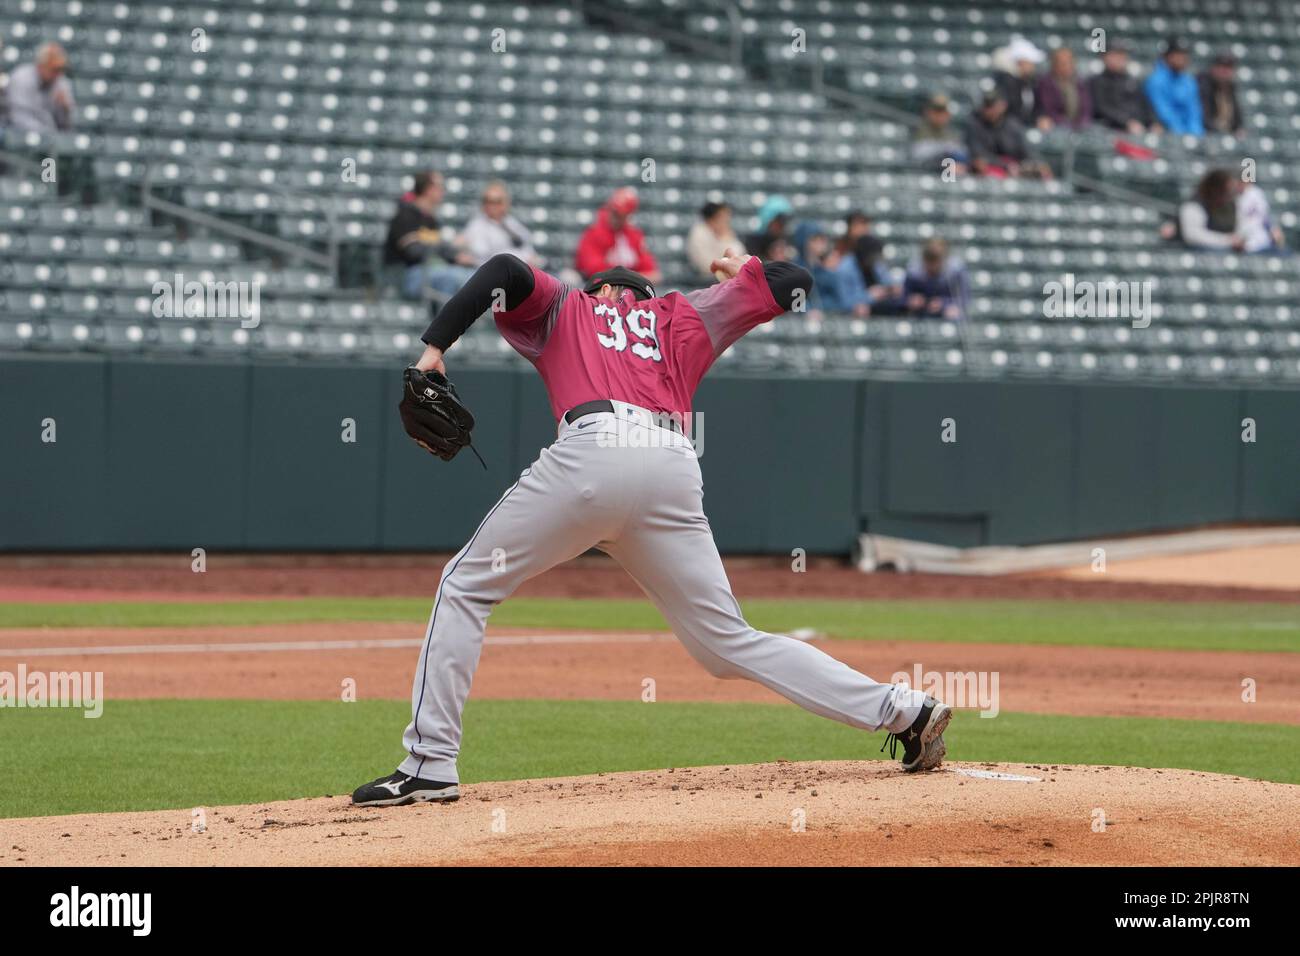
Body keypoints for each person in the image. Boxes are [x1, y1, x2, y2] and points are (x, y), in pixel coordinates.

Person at [350, 250, 953, 807]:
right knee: (727, 643)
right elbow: (795, 282)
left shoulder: (570, 305)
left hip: (592, 454)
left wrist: (433, 350)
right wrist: (742, 265)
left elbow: (504, 270)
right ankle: (904, 710)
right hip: (671, 467)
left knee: (465, 585)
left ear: (606, 290)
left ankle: (431, 764)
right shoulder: (682, 313)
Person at [383, 170, 477, 300]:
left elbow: (432, 248)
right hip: (406, 275)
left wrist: (456, 256)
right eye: (440, 187)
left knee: (474, 276)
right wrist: (445, 245)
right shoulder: (405, 215)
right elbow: (414, 252)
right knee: (453, 278)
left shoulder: (431, 219)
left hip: (429, 271)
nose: (443, 191)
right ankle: (445, 319)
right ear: (429, 189)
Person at [574, 187, 661, 284]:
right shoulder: (594, 232)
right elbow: (593, 271)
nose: (614, 217)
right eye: (613, 211)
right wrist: (631, 278)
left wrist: (627, 279)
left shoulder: (634, 235)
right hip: (598, 289)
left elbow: (653, 274)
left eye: (620, 214)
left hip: (628, 290)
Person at [965, 91, 1051, 179]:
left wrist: (1038, 164)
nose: (988, 110)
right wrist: (1006, 165)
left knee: (1041, 170)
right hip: (989, 170)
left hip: (1015, 169)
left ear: (1003, 105)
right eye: (986, 106)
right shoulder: (975, 124)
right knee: (981, 165)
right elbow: (977, 156)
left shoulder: (1012, 125)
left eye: (991, 106)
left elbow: (1027, 151)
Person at [460, 180, 538, 266]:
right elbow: (483, 256)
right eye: (487, 201)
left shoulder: (512, 223)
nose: (492, 206)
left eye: (497, 201)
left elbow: (527, 247)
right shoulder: (477, 225)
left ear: (506, 203)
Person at [5, 42, 75, 133]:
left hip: (49, 135)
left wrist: (64, 109)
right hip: (19, 133)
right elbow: (18, 117)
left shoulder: (61, 83)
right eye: (54, 69)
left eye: (61, 69)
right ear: (41, 65)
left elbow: (65, 125)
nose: (58, 74)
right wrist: (46, 135)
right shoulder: (22, 77)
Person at [1089, 44, 1158, 133]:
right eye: (1115, 55)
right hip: (1113, 128)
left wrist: (1154, 122)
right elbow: (1102, 108)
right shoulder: (1098, 81)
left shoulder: (1132, 80)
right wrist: (1126, 122)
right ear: (1105, 58)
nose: (1120, 59)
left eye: (1122, 55)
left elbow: (1145, 105)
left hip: (1139, 126)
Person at [1145, 37, 1204, 137]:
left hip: (1190, 135)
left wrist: (1196, 134)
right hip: (1168, 133)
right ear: (1167, 56)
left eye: (1184, 55)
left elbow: (1194, 111)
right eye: (1177, 55)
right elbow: (1163, 111)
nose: (1182, 59)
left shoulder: (1189, 81)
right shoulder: (1156, 80)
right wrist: (1181, 134)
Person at [900, 238, 970, 320]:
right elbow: (903, 296)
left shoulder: (956, 270)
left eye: (936, 260)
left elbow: (964, 299)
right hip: (920, 310)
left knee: (954, 313)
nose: (932, 266)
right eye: (928, 259)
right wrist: (911, 300)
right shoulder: (914, 270)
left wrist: (943, 303)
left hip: (946, 309)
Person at [1176, 169, 1242, 251]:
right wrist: (1227, 240)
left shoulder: (1231, 205)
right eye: (1227, 190)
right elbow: (1193, 236)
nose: (1231, 194)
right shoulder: (1192, 206)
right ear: (1215, 189)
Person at [991, 36, 1046, 127]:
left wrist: (1039, 118)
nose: (1033, 67)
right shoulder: (1006, 84)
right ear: (1020, 63)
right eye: (1030, 63)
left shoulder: (1030, 83)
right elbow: (1012, 112)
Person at [1034, 47, 1092, 130]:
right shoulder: (1046, 83)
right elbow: (1049, 110)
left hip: (1079, 126)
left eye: (1070, 62)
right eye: (1062, 63)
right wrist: (1069, 125)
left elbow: (1086, 109)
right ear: (1054, 65)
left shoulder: (1080, 82)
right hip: (1057, 126)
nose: (1067, 66)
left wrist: (1082, 123)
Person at [911, 93, 969, 173]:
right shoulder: (918, 130)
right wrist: (945, 165)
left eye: (943, 111)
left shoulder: (952, 133)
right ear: (928, 112)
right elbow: (918, 158)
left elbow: (962, 156)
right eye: (936, 111)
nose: (939, 115)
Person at [686, 201, 745, 278]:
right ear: (712, 217)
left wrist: (726, 240)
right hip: (705, 280)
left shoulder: (726, 231)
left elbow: (740, 257)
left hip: (728, 277)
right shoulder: (699, 232)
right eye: (722, 216)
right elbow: (705, 265)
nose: (727, 219)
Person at [1199, 53, 1244, 137]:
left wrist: (1238, 129)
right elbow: (1204, 117)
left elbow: (1237, 120)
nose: (1224, 71)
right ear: (1213, 68)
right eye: (1221, 66)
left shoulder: (1231, 89)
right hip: (1208, 134)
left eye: (1229, 67)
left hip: (1225, 134)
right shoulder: (1203, 86)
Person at [1236, 180, 1285, 253]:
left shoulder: (1256, 193)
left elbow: (1264, 215)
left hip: (1261, 241)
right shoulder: (1233, 196)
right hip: (1242, 241)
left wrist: (1273, 228)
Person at [746, 194, 794, 261]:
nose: (780, 227)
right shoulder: (753, 243)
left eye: (783, 224)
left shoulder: (786, 241)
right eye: (778, 222)